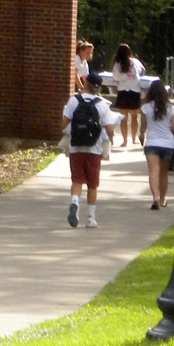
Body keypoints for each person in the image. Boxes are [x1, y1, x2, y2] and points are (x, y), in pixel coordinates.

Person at [62, 69, 119, 228]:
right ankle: (90, 219)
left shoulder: (73, 101)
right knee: (93, 185)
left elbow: (63, 124)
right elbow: (109, 129)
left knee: (77, 180)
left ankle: (74, 202)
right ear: (98, 88)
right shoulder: (102, 105)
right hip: (94, 148)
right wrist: (111, 141)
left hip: (76, 148)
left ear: (85, 83)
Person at [141, 79, 174, 209]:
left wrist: (141, 136)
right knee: (163, 173)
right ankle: (163, 199)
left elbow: (143, 127)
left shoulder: (145, 108)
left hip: (151, 143)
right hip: (168, 144)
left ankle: (155, 198)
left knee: (153, 171)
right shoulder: (171, 108)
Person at [110, 43, 145, 146]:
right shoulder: (135, 61)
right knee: (134, 117)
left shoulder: (117, 64)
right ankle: (134, 139)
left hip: (123, 91)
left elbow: (115, 78)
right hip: (135, 90)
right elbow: (143, 71)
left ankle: (125, 141)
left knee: (123, 118)